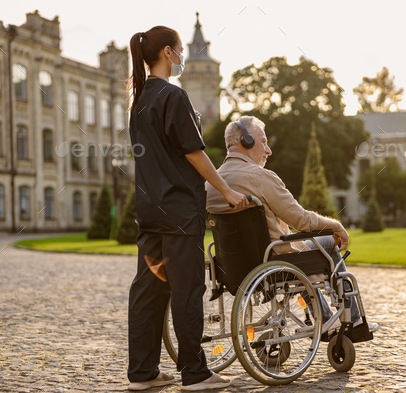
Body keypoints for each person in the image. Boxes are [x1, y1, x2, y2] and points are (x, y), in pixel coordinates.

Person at [126, 26, 249, 391]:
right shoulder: (174, 96)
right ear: (168, 52)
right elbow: (193, 153)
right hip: (179, 212)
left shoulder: (138, 101)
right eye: (179, 51)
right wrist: (226, 189)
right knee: (187, 291)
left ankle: (143, 373)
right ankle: (195, 373)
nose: (182, 56)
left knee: (148, 292)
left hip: (150, 213)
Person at [205, 116, 378, 334]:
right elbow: (302, 221)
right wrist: (336, 225)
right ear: (245, 141)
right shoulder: (261, 177)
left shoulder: (212, 183)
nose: (268, 151)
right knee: (325, 242)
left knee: (301, 249)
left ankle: (324, 318)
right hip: (274, 260)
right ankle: (350, 321)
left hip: (232, 266)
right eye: (263, 142)